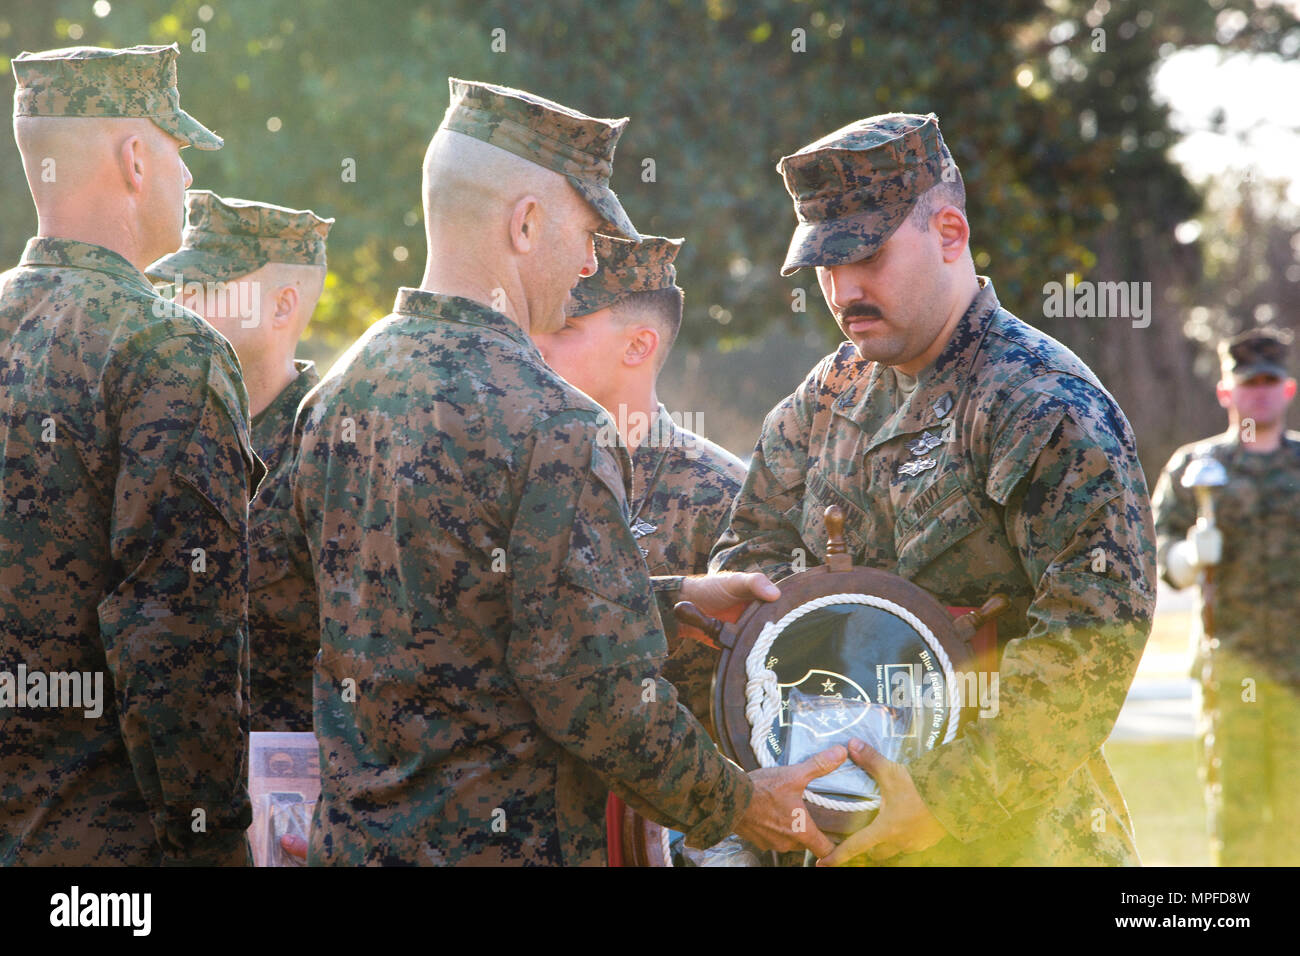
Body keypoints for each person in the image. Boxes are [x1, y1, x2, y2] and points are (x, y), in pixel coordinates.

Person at [291, 78, 842, 866]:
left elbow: (319, 605)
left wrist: (668, 597)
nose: (589, 261)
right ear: (524, 224)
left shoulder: (336, 393)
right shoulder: (555, 422)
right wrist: (738, 803)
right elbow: (595, 689)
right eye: (587, 234)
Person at [711, 112, 1157, 866]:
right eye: (824, 263)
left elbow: (1093, 641)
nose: (842, 287)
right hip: (838, 828)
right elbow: (748, 569)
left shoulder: (1037, 402)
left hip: (1012, 840)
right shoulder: (826, 398)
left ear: (949, 233)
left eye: (867, 255)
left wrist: (947, 801)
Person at [0, 45, 262, 865]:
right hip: (103, 855)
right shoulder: (165, 348)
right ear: (137, 158)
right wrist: (213, 842)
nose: (189, 182)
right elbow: (179, 637)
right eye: (180, 153)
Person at [533, 234, 746, 722]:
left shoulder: (725, 497)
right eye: (533, 325)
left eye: (562, 327)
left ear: (637, 345)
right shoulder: (519, 473)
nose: (535, 344)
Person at [148, 190, 333, 732]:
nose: (180, 304)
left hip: (285, 789)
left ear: (281, 305)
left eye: (206, 288)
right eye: (179, 287)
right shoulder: (155, 428)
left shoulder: (330, 448)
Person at [1151, 327, 1300, 866]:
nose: (1259, 393)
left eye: (1269, 383)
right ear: (1225, 392)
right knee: (1235, 818)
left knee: (1294, 819)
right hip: (1231, 673)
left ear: (1287, 391)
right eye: (1248, 383)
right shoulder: (1196, 469)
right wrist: (1187, 559)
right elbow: (1156, 546)